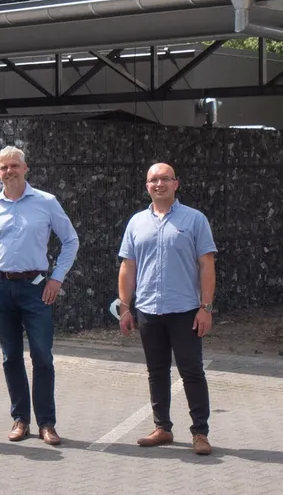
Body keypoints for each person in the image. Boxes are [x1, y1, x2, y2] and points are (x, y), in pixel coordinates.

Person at [0, 145, 79, 446]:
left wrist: (56, 279)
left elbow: (70, 240)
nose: (9, 172)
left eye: (14, 166)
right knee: (11, 358)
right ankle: (21, 419)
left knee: (43, 356)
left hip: (36, 289)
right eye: (4, 167)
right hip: (0, 288)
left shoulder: (46, 202)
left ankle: (47, 423)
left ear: (25, 167)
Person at [117, 162, 217, 455]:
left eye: (164, 179)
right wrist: (125, 307)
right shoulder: (136, 222)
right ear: (146, 186)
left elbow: (206, 265)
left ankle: (200, 432)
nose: (158, 184)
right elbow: (128, 266)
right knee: (156, 372)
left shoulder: (195, 220)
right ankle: (162, 428)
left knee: (192, 372)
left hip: (186, 310)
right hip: (149, 310)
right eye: (153, 180)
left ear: (176, 183)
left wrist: (206, 307)